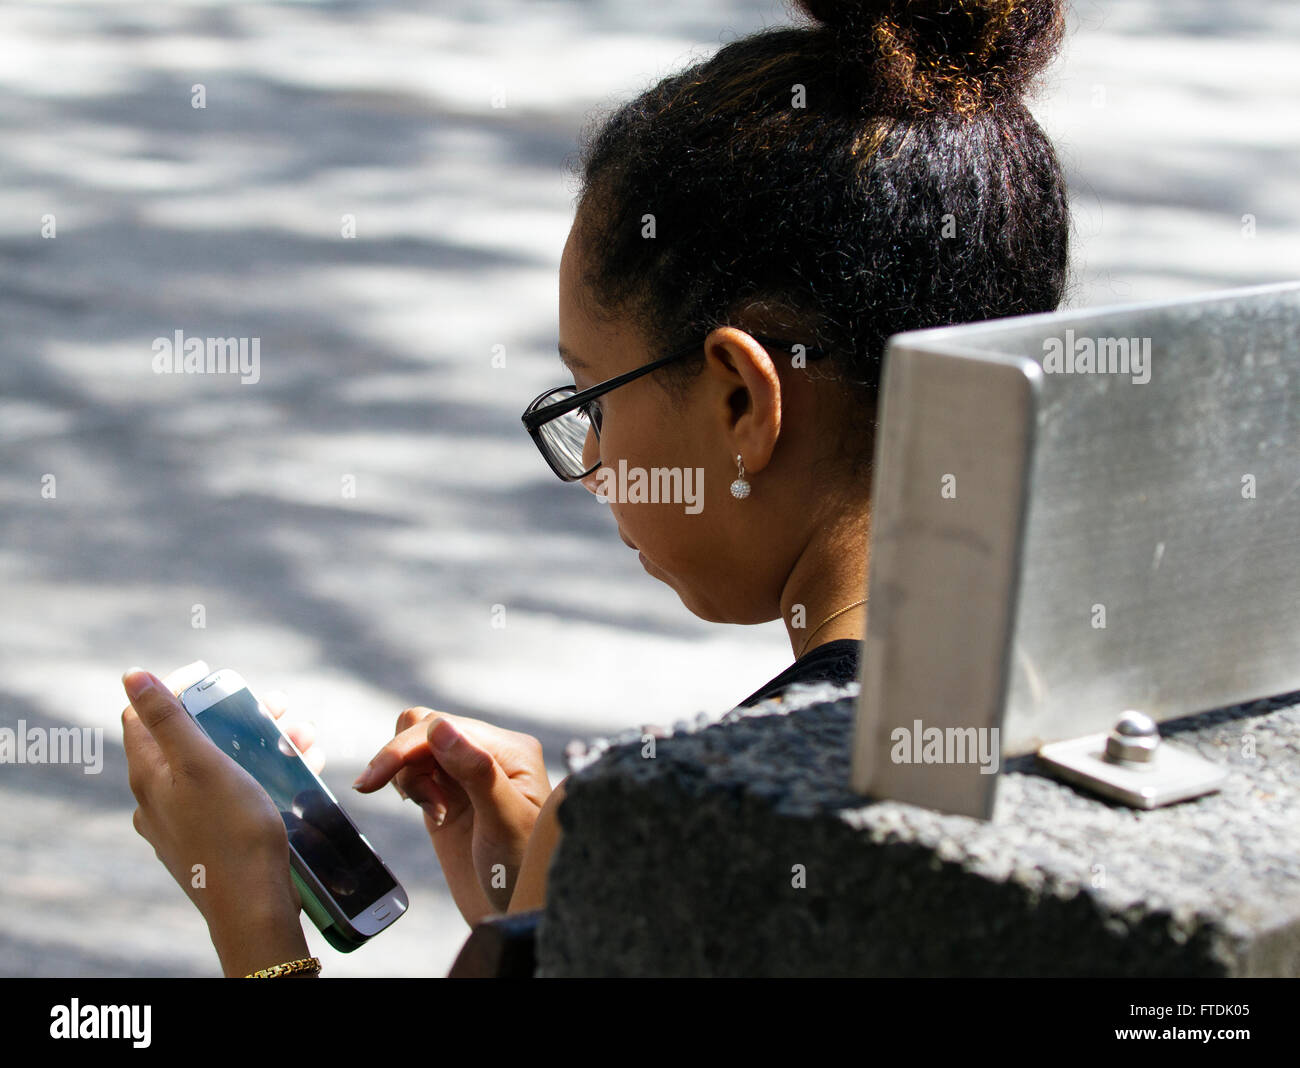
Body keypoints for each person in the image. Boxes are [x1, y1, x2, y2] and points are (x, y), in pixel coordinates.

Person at [121, 0, 1070, 976]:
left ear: (742, 398)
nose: (596, 463)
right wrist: (542, 916)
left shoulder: (672, 822)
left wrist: (247, 912)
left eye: (593, 399)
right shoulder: (1129, 698)